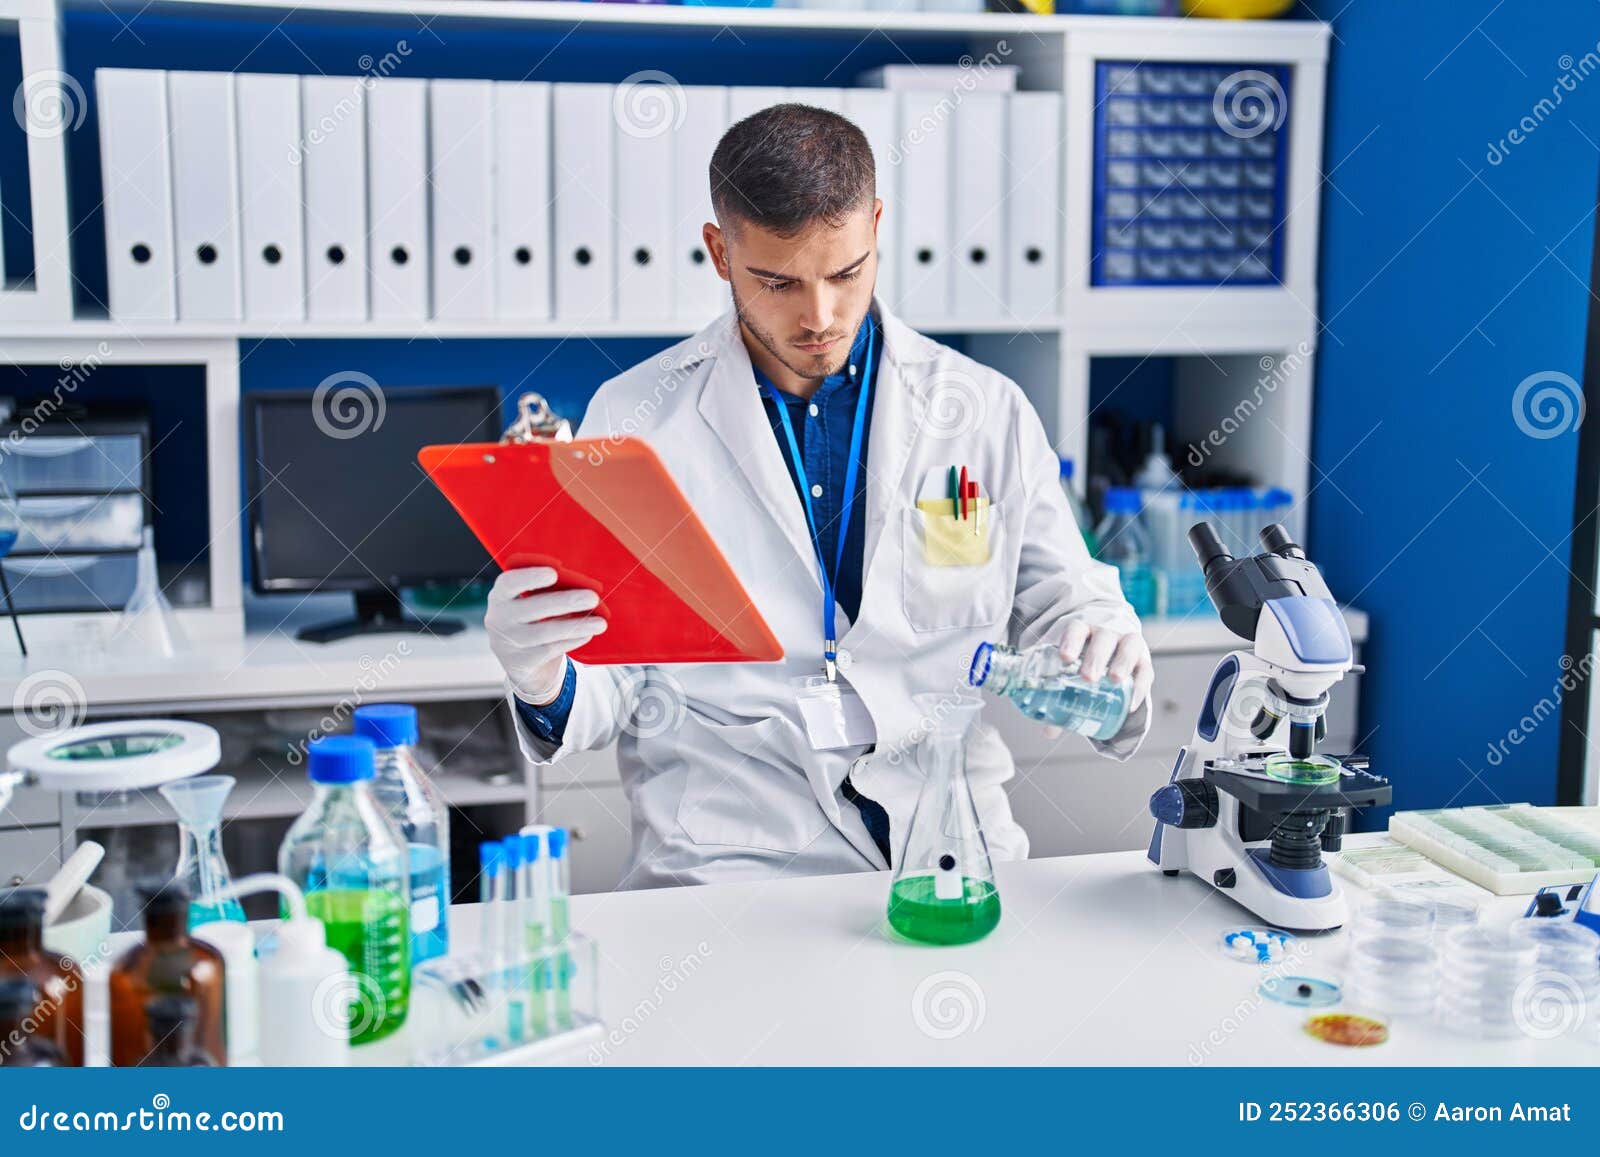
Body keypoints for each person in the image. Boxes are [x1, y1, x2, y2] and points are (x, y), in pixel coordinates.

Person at [487, 104, 1152, 888]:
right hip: (731, 864)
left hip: (947, 846)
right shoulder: (635, 419)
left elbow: (1064, 602)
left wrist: (1103, 638)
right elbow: (613, 682)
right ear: (719, 252)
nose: (820, 316)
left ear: (876, 226)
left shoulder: (984, 407)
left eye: (846, 272)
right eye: (778, 281)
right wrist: (542, 676)